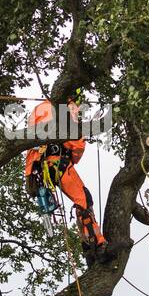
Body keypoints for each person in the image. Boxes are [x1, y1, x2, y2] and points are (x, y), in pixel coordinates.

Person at [23, 98, 109, 262]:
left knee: (83, 198)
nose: (77, 112)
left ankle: (90, 245)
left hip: (42, 166)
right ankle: (96, 246)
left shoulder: (41, 109)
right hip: (56, 162)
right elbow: (76, 144)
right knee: (83, 199)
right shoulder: (63, 110)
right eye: (76, 109)